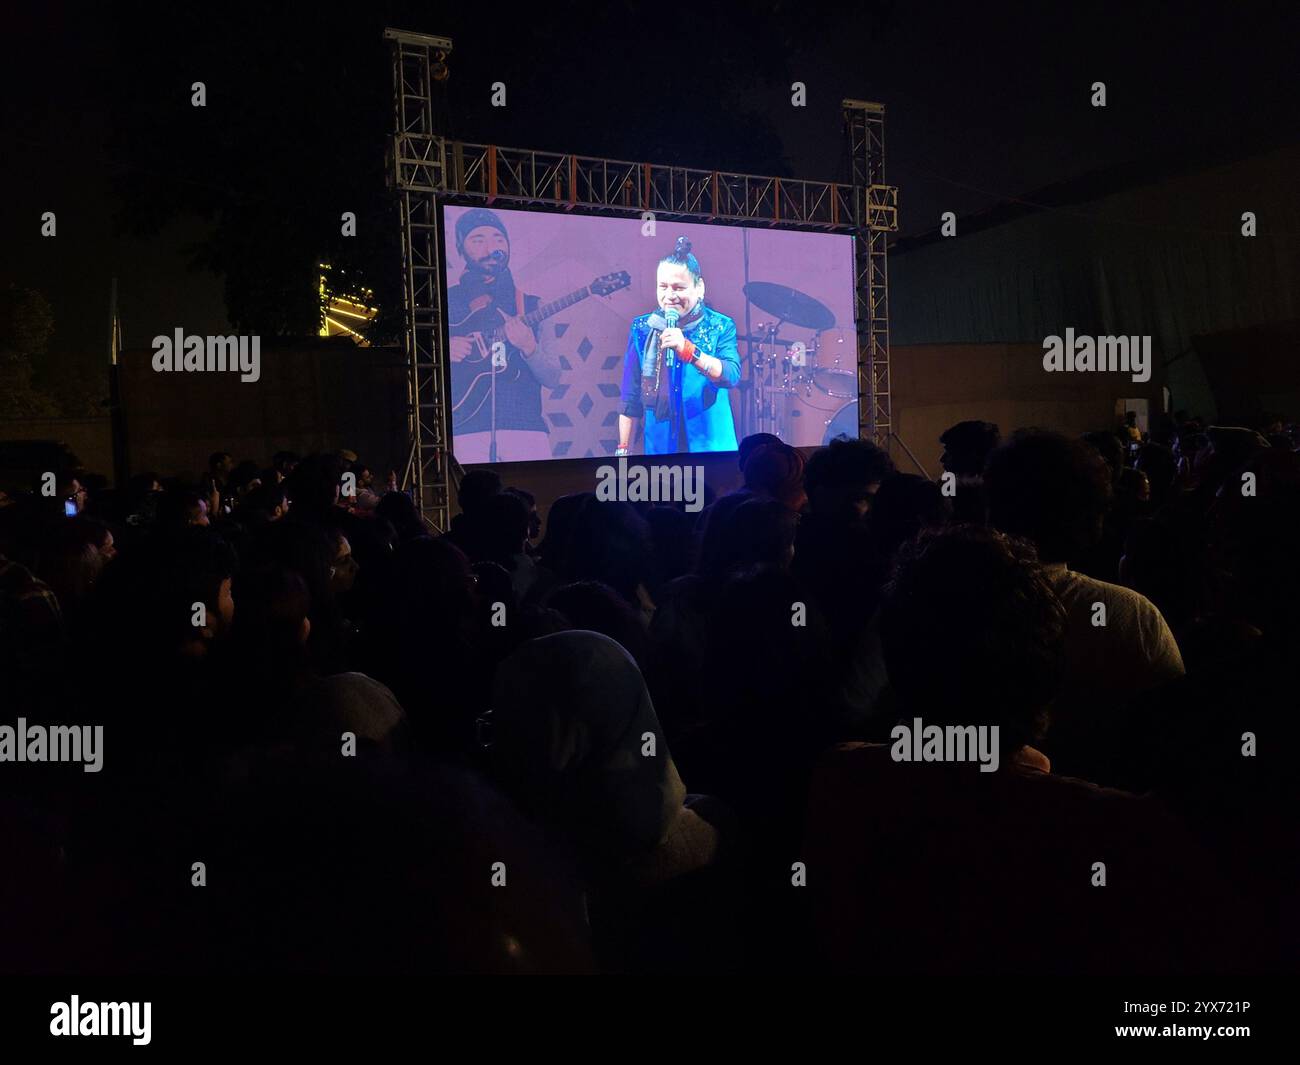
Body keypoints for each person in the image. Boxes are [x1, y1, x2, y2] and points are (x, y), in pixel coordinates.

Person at [446, 208, 563, 462]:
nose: (491, 247)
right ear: (460, 247)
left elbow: (553, 377)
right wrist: (445, 349)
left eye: (499, 239)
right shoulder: (446, 302)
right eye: (478, 240)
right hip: (464, 429)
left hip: (526, 428)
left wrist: (530, 347)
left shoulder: (532, 305)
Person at [618, 236, 741, 456]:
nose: (669, 296)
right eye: (663, 287)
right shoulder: (642, 328)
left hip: (711, 450)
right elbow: (630, 398)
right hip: (661, 451)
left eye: (678, 288)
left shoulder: (719, 325)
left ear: (699, 287)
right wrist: (623, 450)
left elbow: (731, 375)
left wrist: (689, 351)